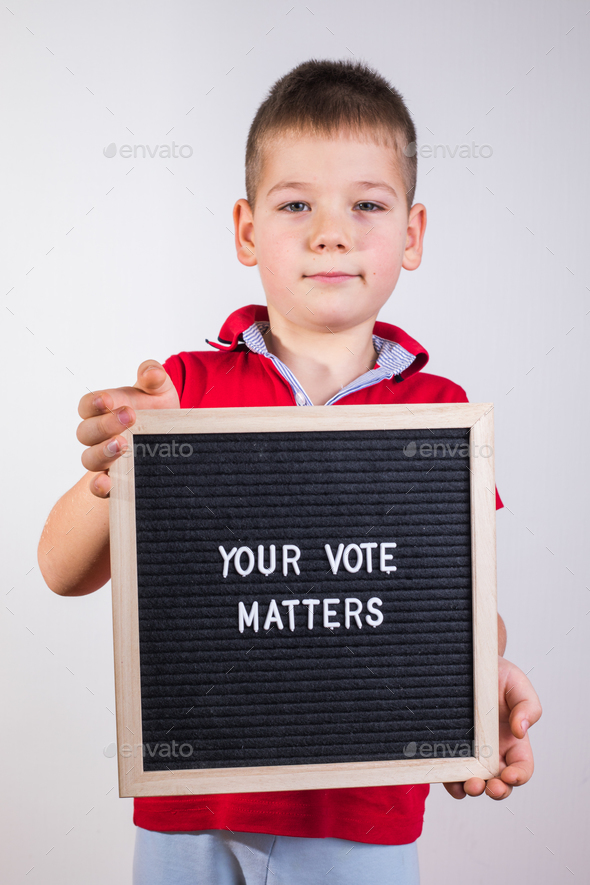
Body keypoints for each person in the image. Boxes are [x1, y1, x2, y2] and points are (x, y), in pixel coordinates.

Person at [37, 59, 542, 885]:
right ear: (245, 229)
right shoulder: (180, 393)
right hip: (192, 803)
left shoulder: (439, 415)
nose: (330, 232)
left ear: (412, 235)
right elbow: (61, 569)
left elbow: (451, 601)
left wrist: (477, 687)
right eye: (296, 203)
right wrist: (122, 461)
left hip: (361, 816)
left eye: (367, 205)